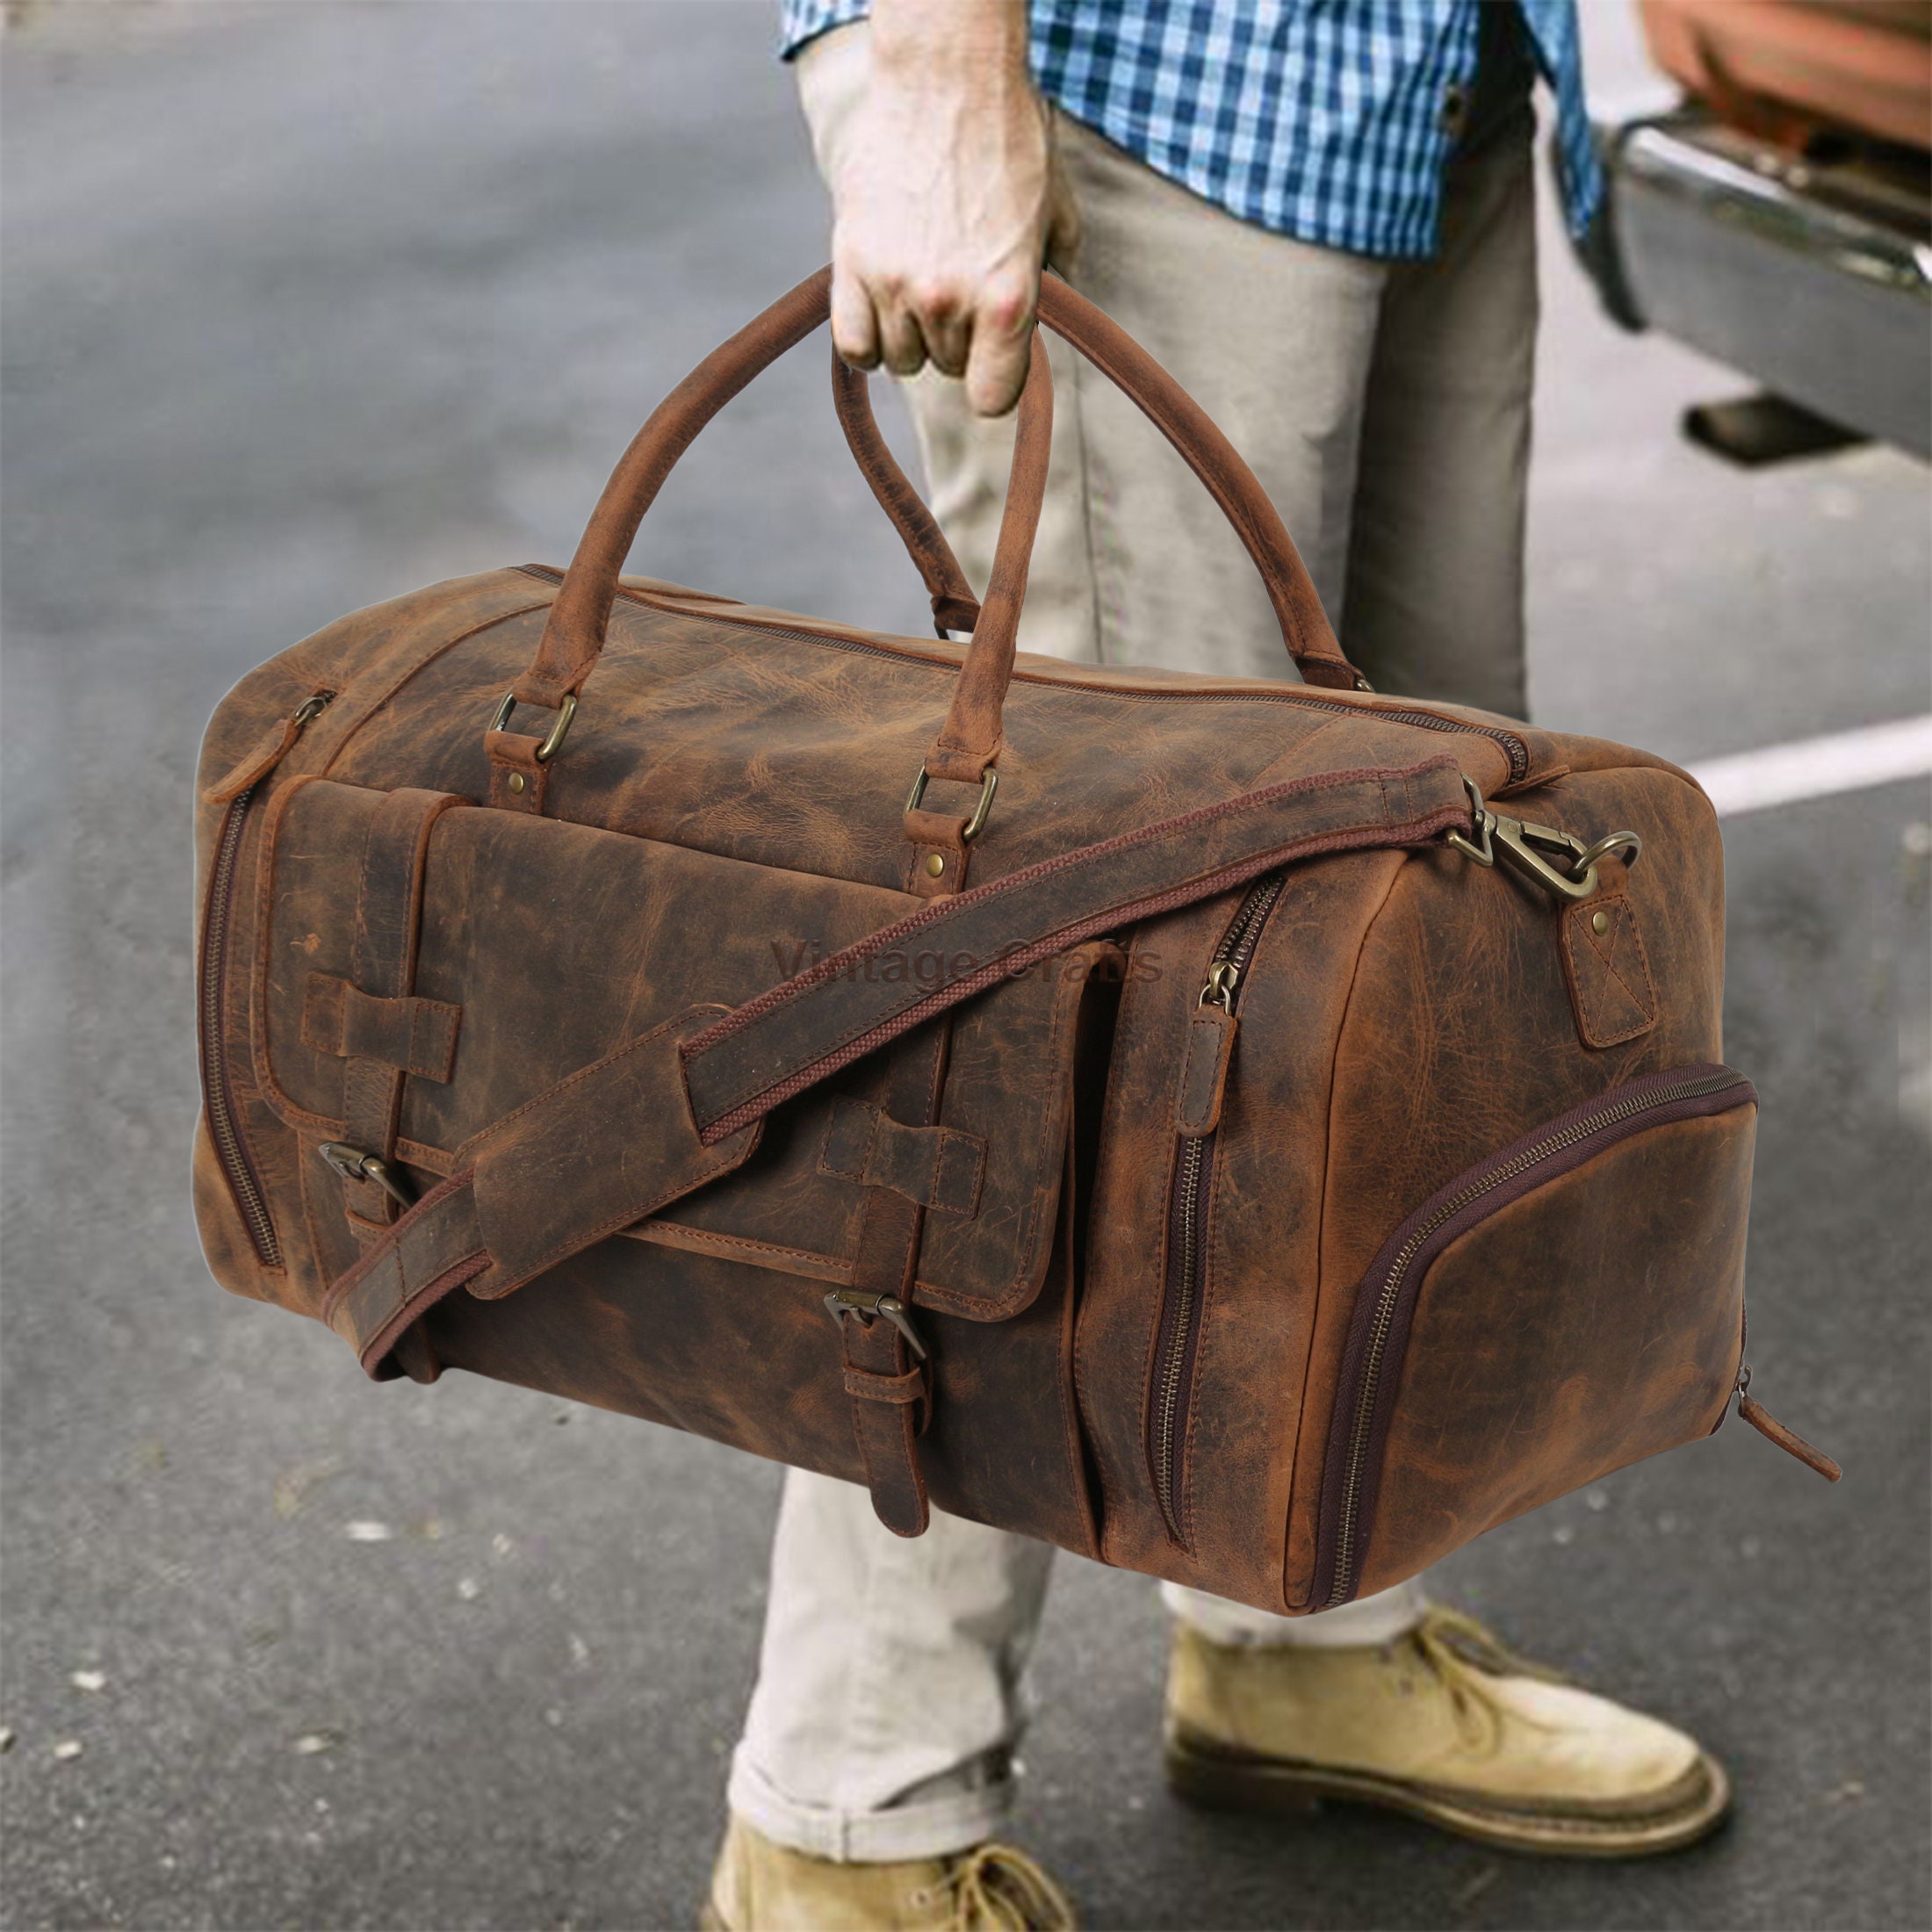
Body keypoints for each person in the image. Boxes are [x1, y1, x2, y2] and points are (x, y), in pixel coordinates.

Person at [707, 6, 1729, 1927]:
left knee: (1396, 941)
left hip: (1413, 71)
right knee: (1065, 993)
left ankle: (1302, 1621)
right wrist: (930, 60)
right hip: (1136, 82)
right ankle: (848, 1817)